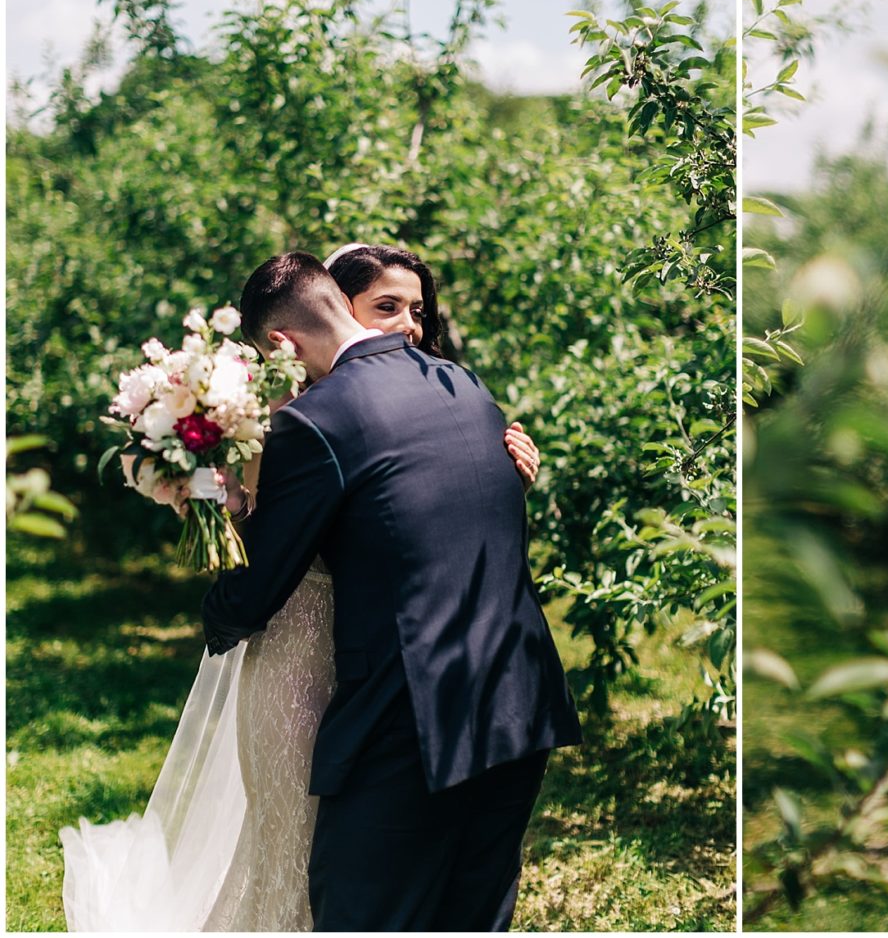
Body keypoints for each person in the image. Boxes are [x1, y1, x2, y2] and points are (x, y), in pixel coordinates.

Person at [60, 247, 556, 931]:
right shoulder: (464, 388)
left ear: (279, 342)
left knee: (357, 913)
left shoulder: (319, 418)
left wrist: (217, 610)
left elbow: (256, 591)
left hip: (410, 720)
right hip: (517, 706)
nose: (409, 322)